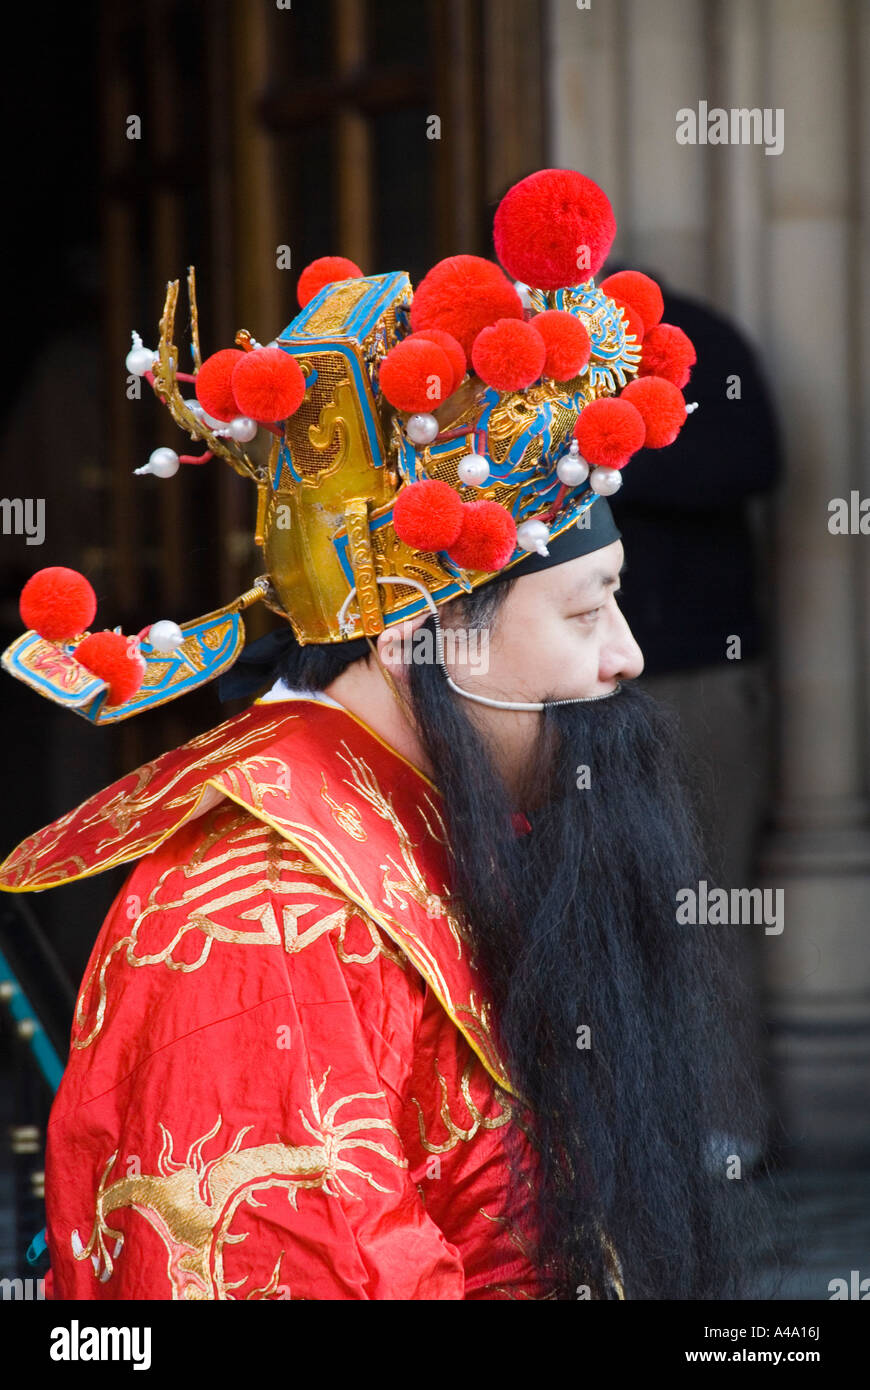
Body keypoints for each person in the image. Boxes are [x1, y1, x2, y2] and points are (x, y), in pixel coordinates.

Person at [0, 168, 774, 1300]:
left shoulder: (437, 810)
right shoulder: (264, 925)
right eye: (580, 610)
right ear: (419, 641)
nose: (627, 656)